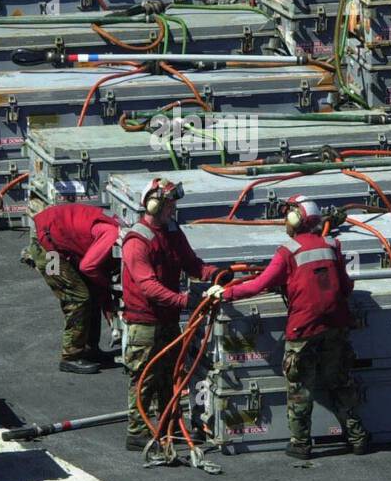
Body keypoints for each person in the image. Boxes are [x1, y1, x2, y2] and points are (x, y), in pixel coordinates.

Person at [204, 196, 369, 460]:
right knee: (340, 382)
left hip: (303, 329)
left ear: (295, 219)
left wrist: (225, 294)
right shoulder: (332, 245)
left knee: (300, 387)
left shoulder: (287, 252)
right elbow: (346, 288)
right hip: (336, 326)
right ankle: (358, 438)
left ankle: (301, 444)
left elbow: (258, 285)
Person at [120, 178, 221, 452]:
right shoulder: (137, 240)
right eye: (169, 203)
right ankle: (138, 431)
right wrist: (183, 300)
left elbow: (190, 262)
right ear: (155, 204)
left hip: (166, 319)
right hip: (144, 321)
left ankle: (170, 426)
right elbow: (148, 286)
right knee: (144, 376)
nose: (174, 208)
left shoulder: (172, 230)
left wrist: (212, 273)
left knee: (171, 374)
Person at [23, 203, 123, 375]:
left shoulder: (119, 235)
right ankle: (71, 356)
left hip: (59, 238)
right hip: (47, 250)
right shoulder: (113, 236)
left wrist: (110, 311)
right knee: (77, 298)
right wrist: (108, 286)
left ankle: (89, 349)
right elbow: (89, 268)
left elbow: (98, 288)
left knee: (91, 293)